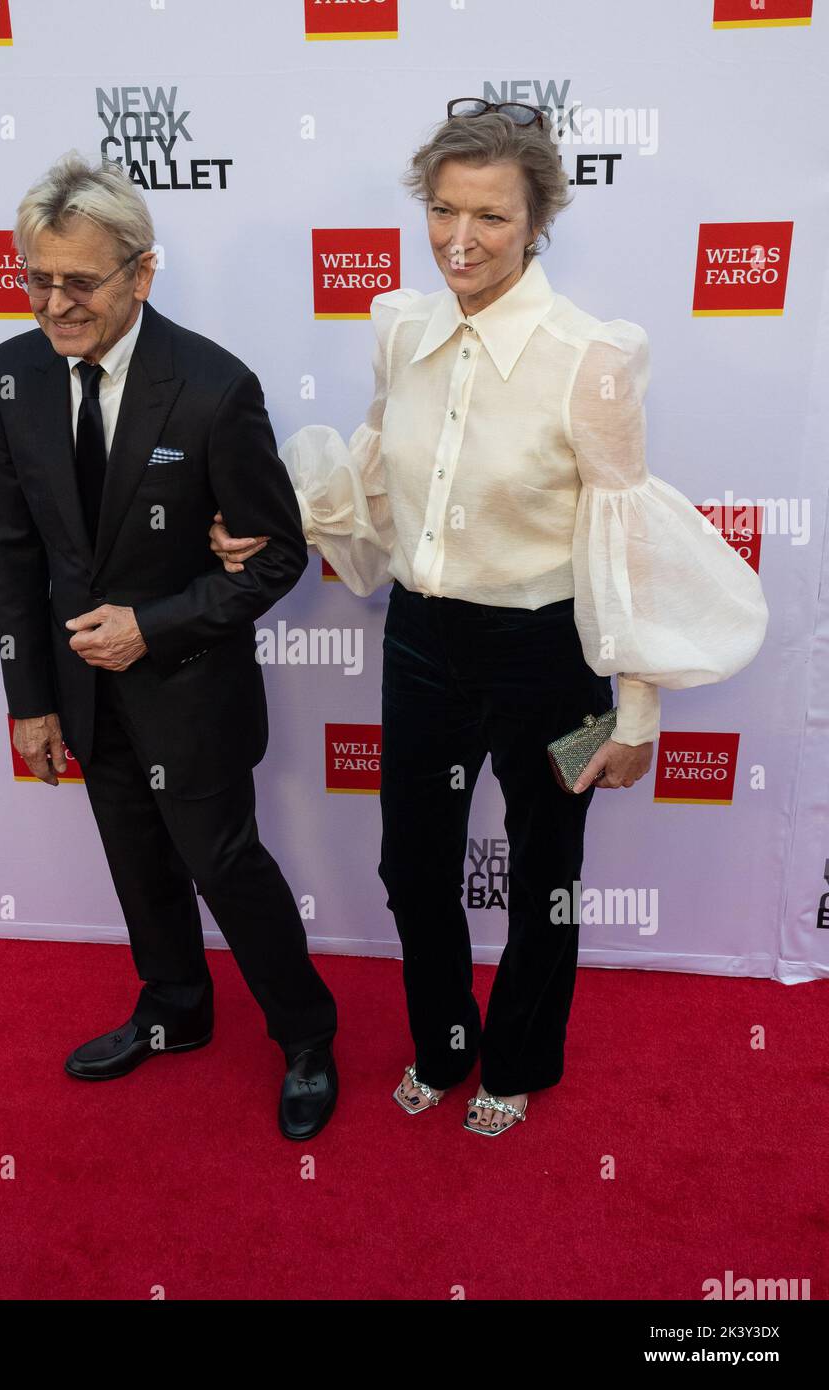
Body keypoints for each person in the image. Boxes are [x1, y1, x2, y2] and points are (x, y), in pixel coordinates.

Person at [210, 104, 768, 1136]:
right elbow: (377, 473)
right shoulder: (401, 329)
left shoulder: (588, 359)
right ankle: (442, 1044)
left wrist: (634, 712)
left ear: (536, 220)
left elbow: (621, 541)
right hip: (422, 642)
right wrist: (275, 525)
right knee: (409, 865)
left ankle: (513, 1062)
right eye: (439, 209)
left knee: (544, 872)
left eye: (490, 217)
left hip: (551, 656)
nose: (458, 238)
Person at [0, 151, 338, 1140]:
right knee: (137, 865)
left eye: (79, 281)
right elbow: (13, 553)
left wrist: (156, 625)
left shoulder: (215, 389)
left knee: (223, 865)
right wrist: (30, 699)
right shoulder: (10, 375)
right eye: (37, 278)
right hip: (84, 696)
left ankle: (306, 1032)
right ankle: (175, 1009)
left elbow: (275, 560)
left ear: (140, 271)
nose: (55, 304)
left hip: (190, 688)